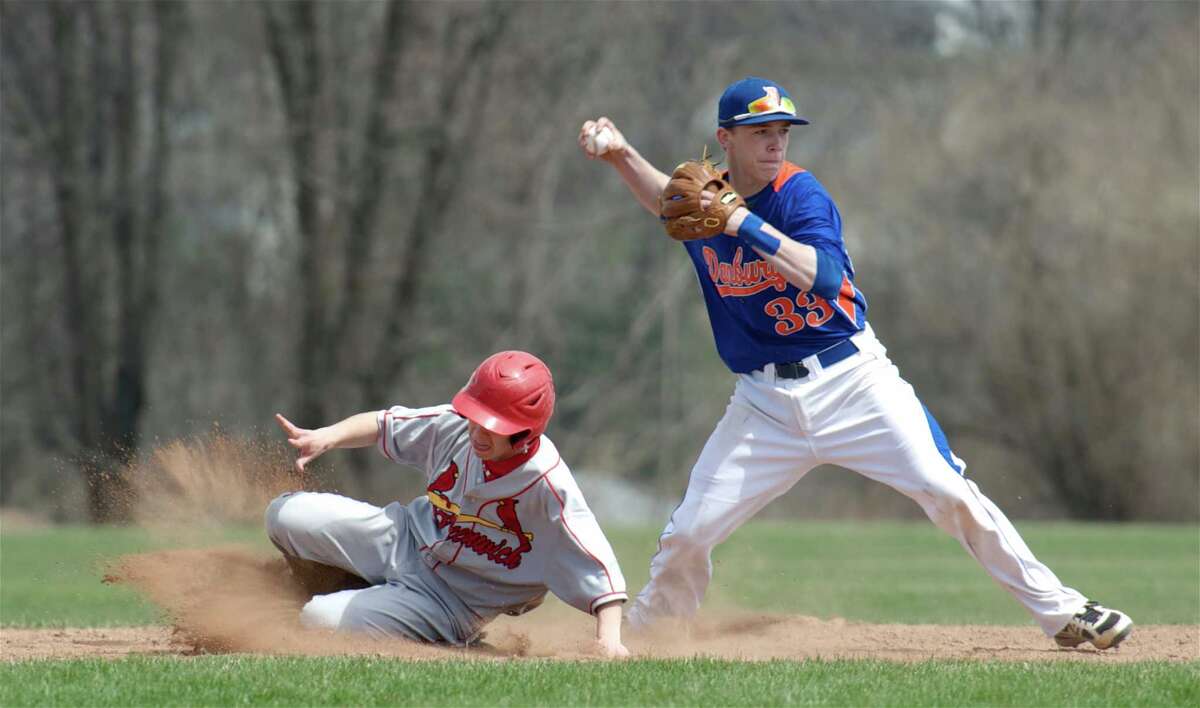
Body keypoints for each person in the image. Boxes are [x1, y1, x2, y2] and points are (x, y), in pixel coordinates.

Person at [578, 76, 1132, 650]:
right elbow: (667, 201)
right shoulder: (706, 197)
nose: (775, 143)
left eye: (782, 131)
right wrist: (621, 155)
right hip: (763, 404)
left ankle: (1066, 613)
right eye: (760, 131)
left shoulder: (800, 195)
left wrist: (740, 221)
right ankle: (649, 633)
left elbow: (822, 276)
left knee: (948, 491)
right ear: (726, 138)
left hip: (851, 382)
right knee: (690, 532)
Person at [265, 350, 630, 658]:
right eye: (476, 417)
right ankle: (353, 585)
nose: (477, 432)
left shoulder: (549, 488)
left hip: (451, 602)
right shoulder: (458, 426)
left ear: (524, 433)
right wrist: (328, 436)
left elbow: (600, 568)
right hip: (403, 537)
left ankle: (411, 622)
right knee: (284, 514)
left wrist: (610, 640)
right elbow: (384, 425)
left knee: (318, 620)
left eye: (492, 426)